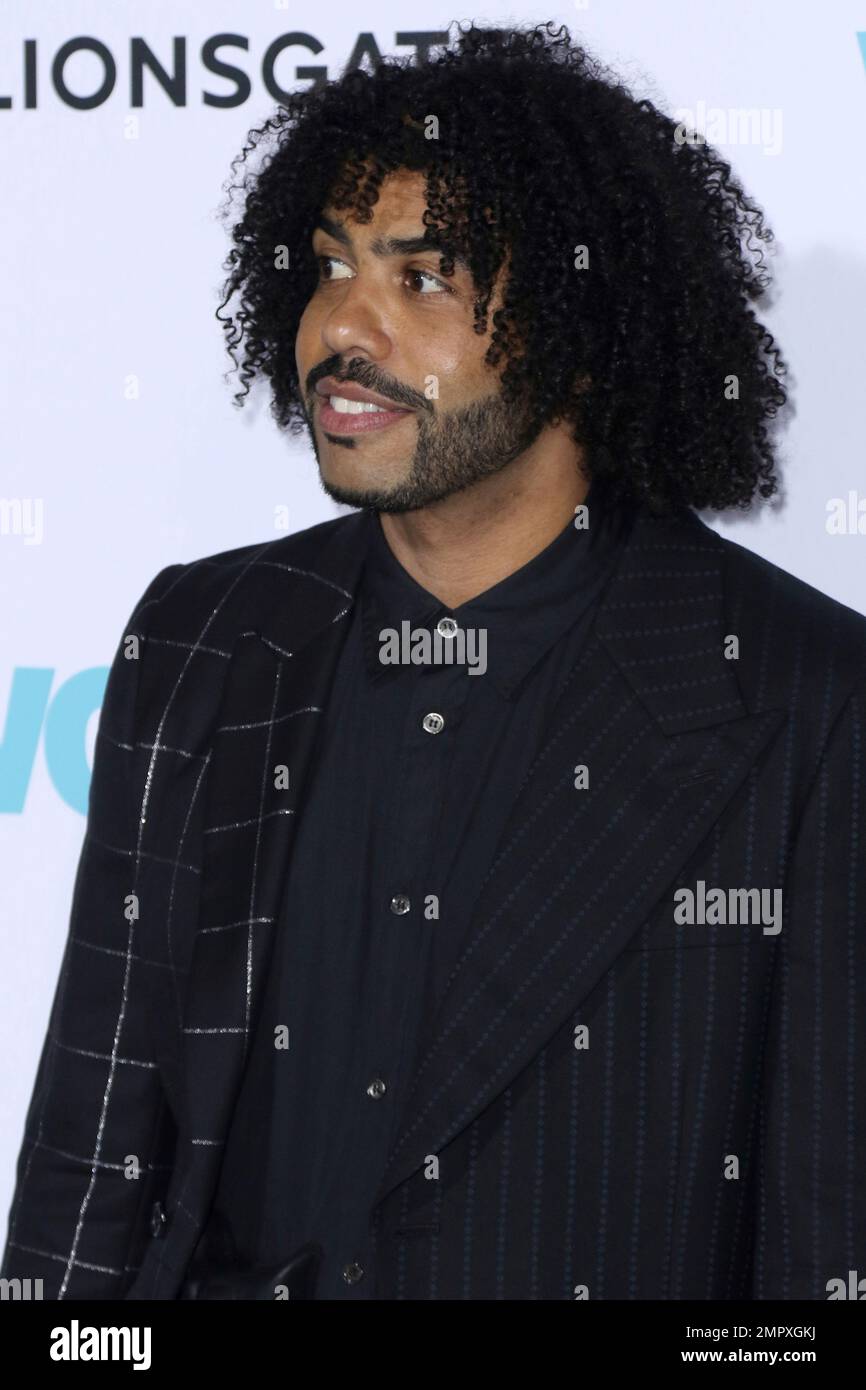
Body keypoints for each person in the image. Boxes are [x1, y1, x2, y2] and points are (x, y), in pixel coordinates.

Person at [2, 21, 864, 1301]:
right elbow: (87, 1173)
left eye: (420, 281)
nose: (341, 329)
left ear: (578, 325)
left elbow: (818, 1249)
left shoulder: (798, 695)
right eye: (331, 267)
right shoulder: (201, 635)